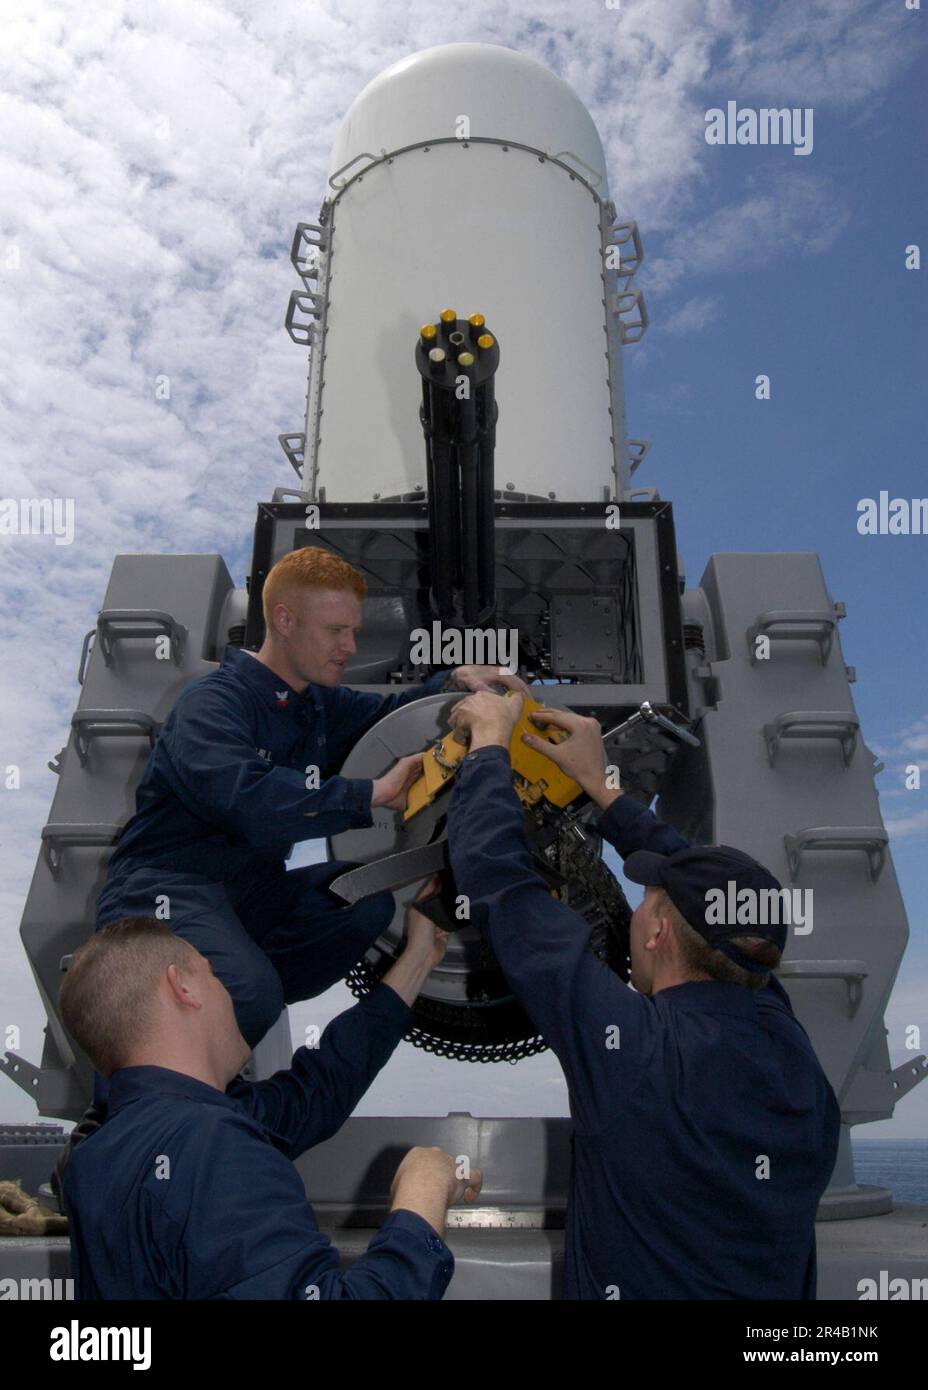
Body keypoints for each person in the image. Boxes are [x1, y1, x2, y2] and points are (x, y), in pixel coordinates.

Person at [54, 546, 526, 1209]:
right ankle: (118, 1119)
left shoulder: (313, 707)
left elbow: (391, 716)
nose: (350, 645)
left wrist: (454, 687)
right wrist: (364, 797)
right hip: (165, 886)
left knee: (361, 904)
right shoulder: (212, 704)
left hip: (252, 900)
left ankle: (230, 1030)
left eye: (354, 630)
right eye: (337, 631)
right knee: (247, 990)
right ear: (284, 620)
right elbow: (244, 798)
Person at [444, 691, 841, 1301]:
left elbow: (501, 887)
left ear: (656, 931)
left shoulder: (636, 1053)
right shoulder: (788, 1043)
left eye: (646, 905)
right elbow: (718, 902)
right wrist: (601, 788)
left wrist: (490, 747)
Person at [58, 891, 481, 1299]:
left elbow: (318, 1090)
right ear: (182, 987)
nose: (230, 995)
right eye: (212, 974)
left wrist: (419, 956)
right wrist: (421, 1190)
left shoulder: (98, 1154)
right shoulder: (211, 1147)